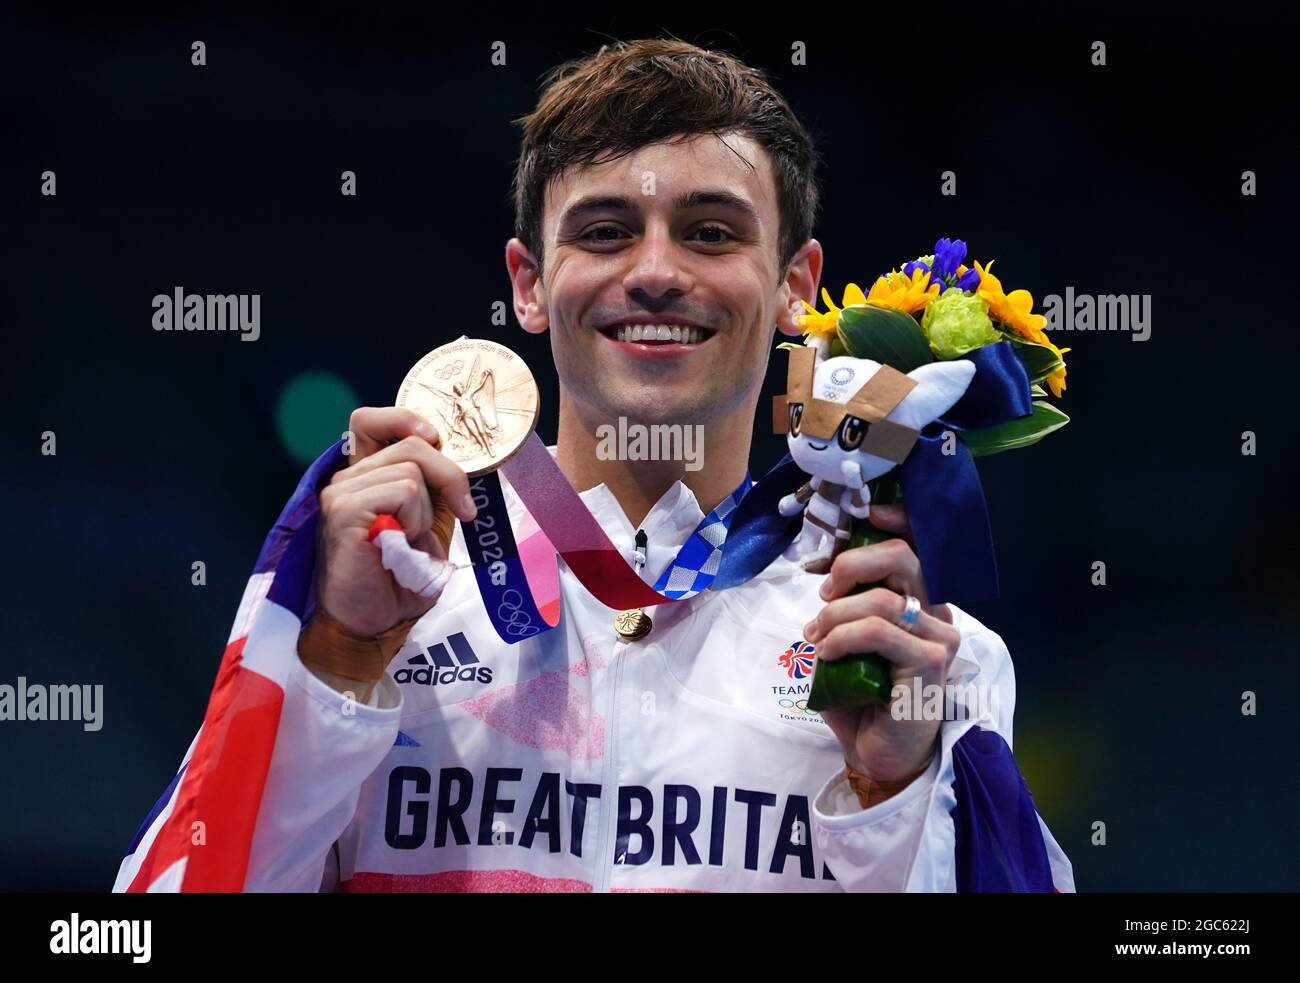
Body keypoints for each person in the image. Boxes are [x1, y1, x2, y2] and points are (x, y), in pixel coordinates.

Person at [115, 38, 1074, 893]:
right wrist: (334, 660)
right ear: (529, 284)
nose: (654, 270)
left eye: (711, 230)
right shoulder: (381, 589)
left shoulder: (917, 652)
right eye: (606, 230)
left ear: (796, 284)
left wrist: (893, 791)